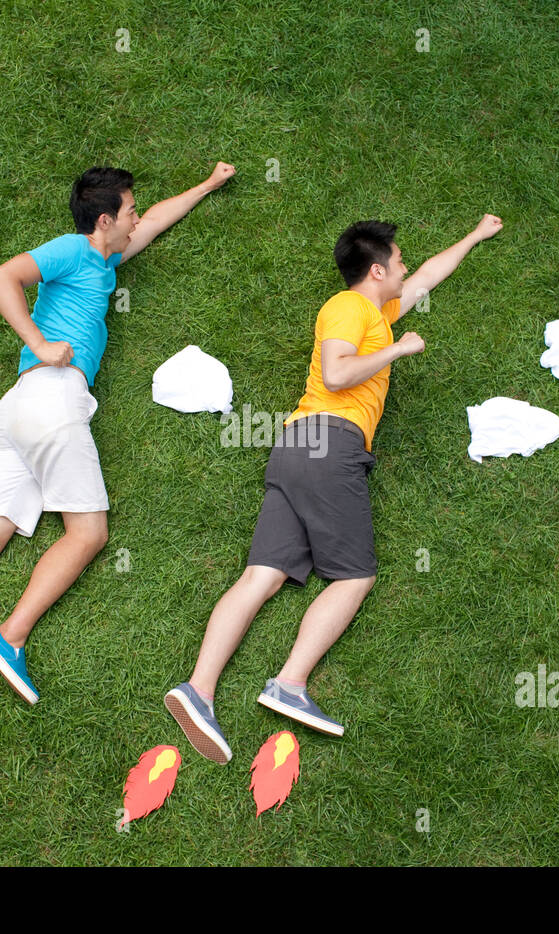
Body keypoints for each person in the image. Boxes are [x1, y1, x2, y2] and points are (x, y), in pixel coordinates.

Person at [0, 162, 236, 704]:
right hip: (52, 398)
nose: (137, 217)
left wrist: (207, 185)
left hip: (20, 412)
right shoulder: (74, 251)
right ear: (103, 220)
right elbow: (0, 278)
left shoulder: (104, 260)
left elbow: (155, 225)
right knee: (89, 534)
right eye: (129, 210)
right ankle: (10, 637)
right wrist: (42, 342)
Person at [166, 214, 504, 763]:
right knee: (355, 575)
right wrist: (398, 351)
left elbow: (427, 281)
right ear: (376, 269)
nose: (406, 269)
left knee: (262, 574)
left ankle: (198, 689)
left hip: (297, 446)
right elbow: (337, 374)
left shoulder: (377, 310)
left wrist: (473, 236)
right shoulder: (348, 308)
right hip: (330, 444)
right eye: (399, 261)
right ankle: (289, 683)